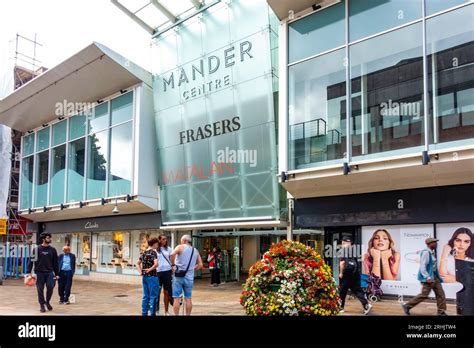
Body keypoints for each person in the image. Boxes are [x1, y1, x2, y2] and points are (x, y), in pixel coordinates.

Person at [402, 237, 447, 316]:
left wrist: (437, 277)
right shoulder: (426, 252)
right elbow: (423, 266)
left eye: (436, 242)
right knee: (424, 295)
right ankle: (407, 306)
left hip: (434, 277)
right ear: (429, 244)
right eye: (434, 242)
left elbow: (433, 266)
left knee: (440, 294)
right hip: (429, 278)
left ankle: (441, 312)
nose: (436, 244)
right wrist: (427, 277)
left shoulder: (431, 252)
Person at [26, 232, 60, 313]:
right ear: (43, 239)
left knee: (50, 287)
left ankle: (47, 302)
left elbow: (55, 263)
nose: (50, 239)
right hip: (39, 273)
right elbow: (31, 261)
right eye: (48, 238)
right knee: (40, 290)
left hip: (49, 273)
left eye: (50, 238)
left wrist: (57, 274)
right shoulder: (37, 249)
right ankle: (42, 305)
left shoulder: (53, 250)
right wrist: (28, 272)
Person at [170, 235, 203, 315]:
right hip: (189, 278)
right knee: (188, 298)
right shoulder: (195, 250)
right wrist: (193, 268)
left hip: (178, 277)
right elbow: (200, 265)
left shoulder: (180, 247)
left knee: (176, 298)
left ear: (184, 240)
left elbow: (171, 255)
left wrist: (173, 265)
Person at [338, 237, 372, 315]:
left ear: (343, 242)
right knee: (357, 290)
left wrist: (341, 273)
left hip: (346, 274)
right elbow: (362, 259)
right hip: (355, 273)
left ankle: (341, 308)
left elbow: (342, 263)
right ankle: (366, 305)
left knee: (342, 291)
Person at [136, 237, 160, 316]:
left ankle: (144, 313)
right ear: (154, 244)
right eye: (157, 243)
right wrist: (150, 269)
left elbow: (137, 263)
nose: (158, 245)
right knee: (153, 296)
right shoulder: (153, 252)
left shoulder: (144, 252)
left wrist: (140, 272)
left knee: (146, 296)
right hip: (153, 276)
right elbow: (156, 264)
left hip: (145, 277)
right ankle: (152, 313)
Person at [156, 234, 174, 315]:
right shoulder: (155, 250)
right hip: (158, 272)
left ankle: (166, 311)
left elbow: (171, 260)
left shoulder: (169, 249)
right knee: (157, 292)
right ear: (159, 240)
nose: (165, 240)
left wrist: (173, 268)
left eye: (165, 239)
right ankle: (157, 310)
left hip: (167, 272)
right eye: (163, 239)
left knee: (166, 293)